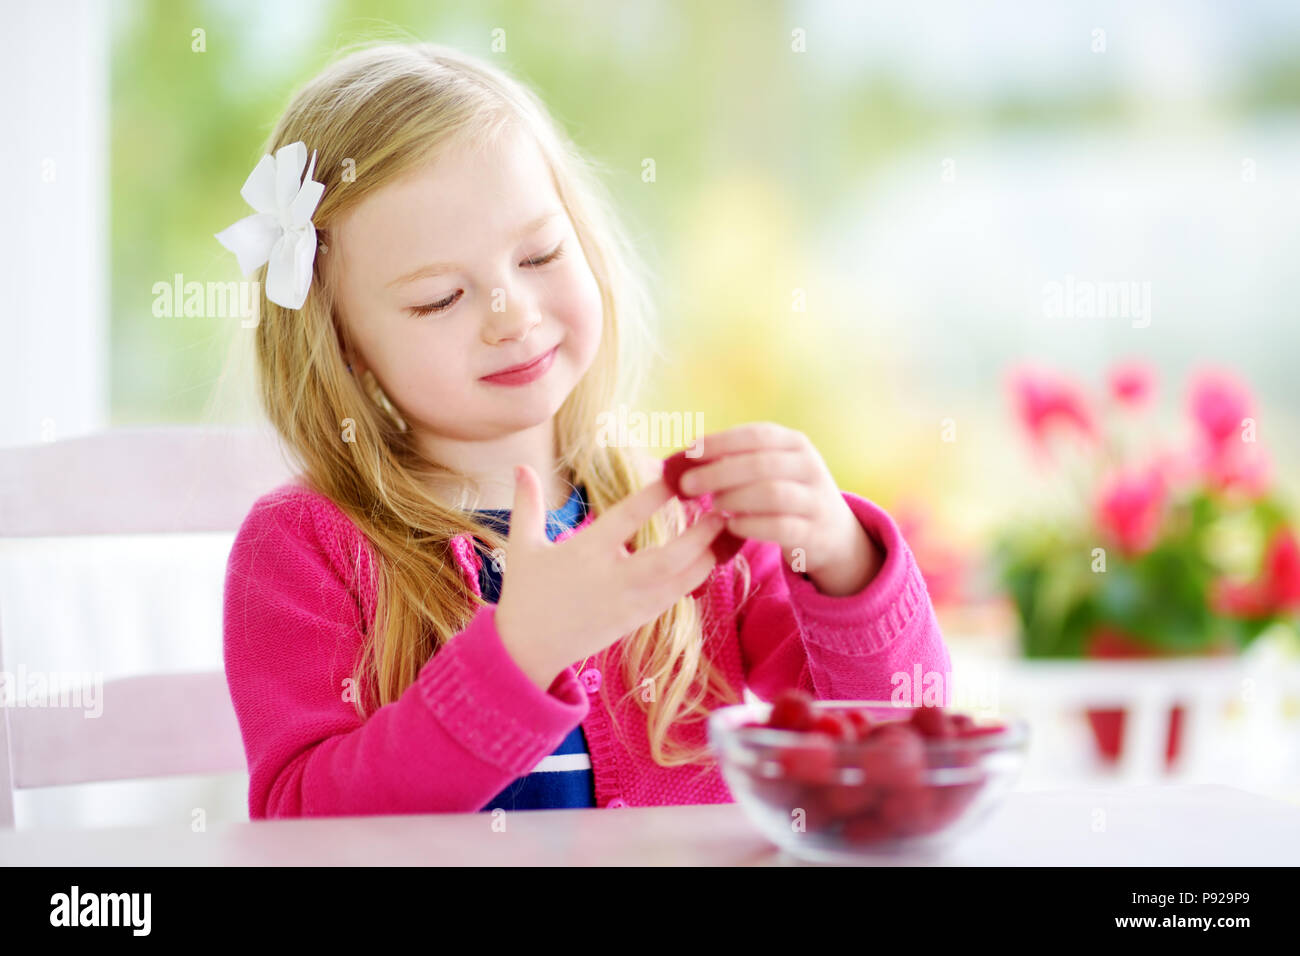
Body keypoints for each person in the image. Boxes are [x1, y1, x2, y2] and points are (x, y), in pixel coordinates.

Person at [218, 41, 950, 819]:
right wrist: (515, 657)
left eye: (539, 255)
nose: (515, 316)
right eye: (439, 298)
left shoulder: (696, 529)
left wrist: (842, 557)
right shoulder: (303, 551)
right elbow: (301, 828)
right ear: (345, 348)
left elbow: (893, 757)